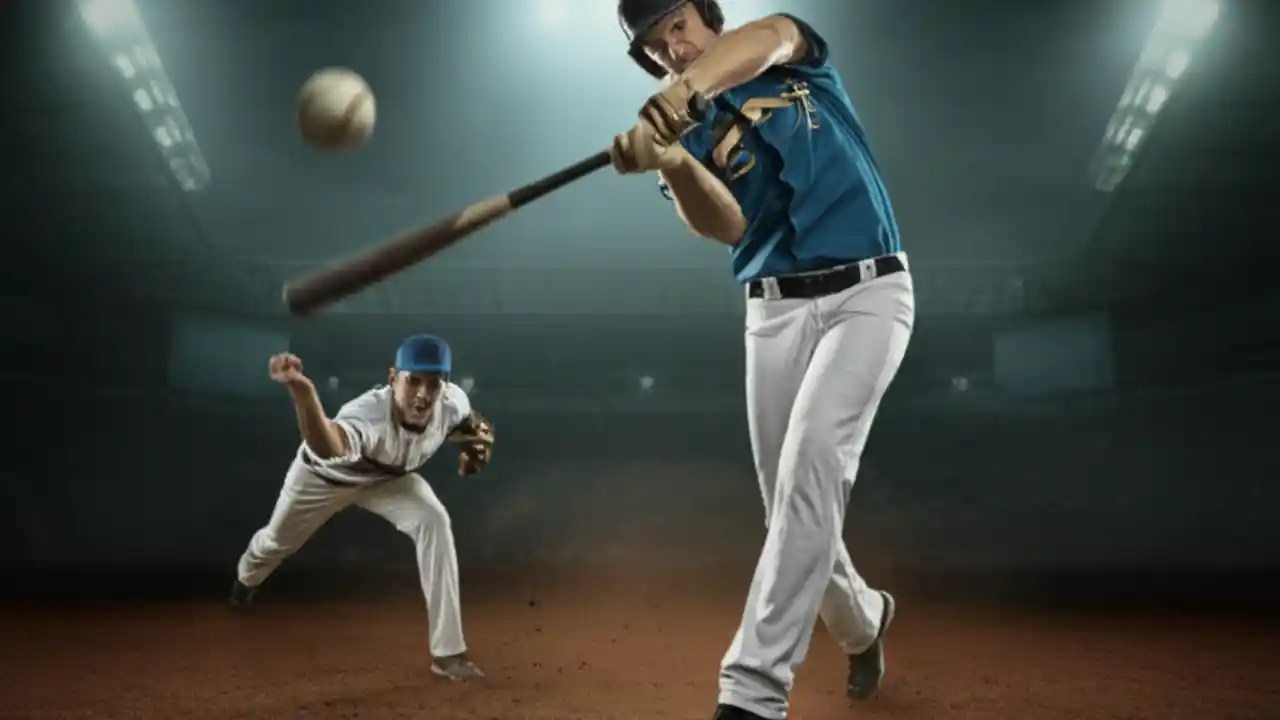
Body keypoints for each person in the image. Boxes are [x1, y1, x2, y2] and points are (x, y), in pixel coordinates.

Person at [611, 2, 916, 718]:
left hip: (869, 291)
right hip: (773, 310)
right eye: (656, 49)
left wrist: (681, 95)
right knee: (787, 506)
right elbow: (728, 226)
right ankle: (863, 620)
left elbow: (769, 36)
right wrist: (672, 159)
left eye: (678, 27)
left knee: (814, 465)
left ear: (705, 14)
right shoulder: (680, 129)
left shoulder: (785, 52)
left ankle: (752, 691)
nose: (674, 50)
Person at [228, 333, 493, 682]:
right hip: (323, 477)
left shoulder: (451, 402)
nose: (423, 394)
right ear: (392, 377)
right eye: (413, 381)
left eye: (433, 383)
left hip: (388, 480)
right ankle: (247, 578)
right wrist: (303, 393)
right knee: (275, 543)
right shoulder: (369, 415)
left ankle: (448, 654)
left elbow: (476, 427)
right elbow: (329, 446)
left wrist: (476, 450)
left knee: (434, 520)